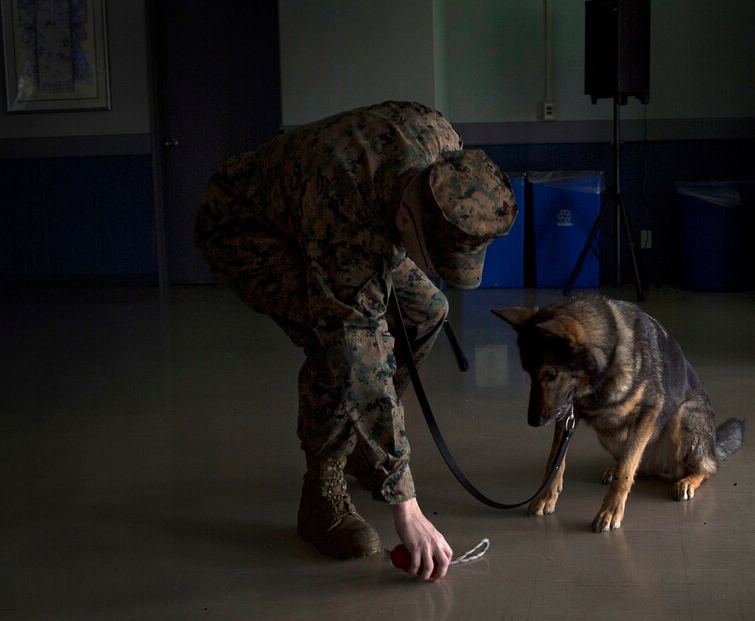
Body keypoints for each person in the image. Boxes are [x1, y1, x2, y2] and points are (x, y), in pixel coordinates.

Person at [193, 101, 516, 580]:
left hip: (347, 209)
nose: (437, 270)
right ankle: (321, 496)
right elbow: (356, 352)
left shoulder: (442, 148)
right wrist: (407, 505)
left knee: (428, 309)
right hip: (250, 231)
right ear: (406, 223)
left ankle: (367, 444)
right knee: (337, 350)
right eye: (435, 259)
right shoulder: (345, 214)